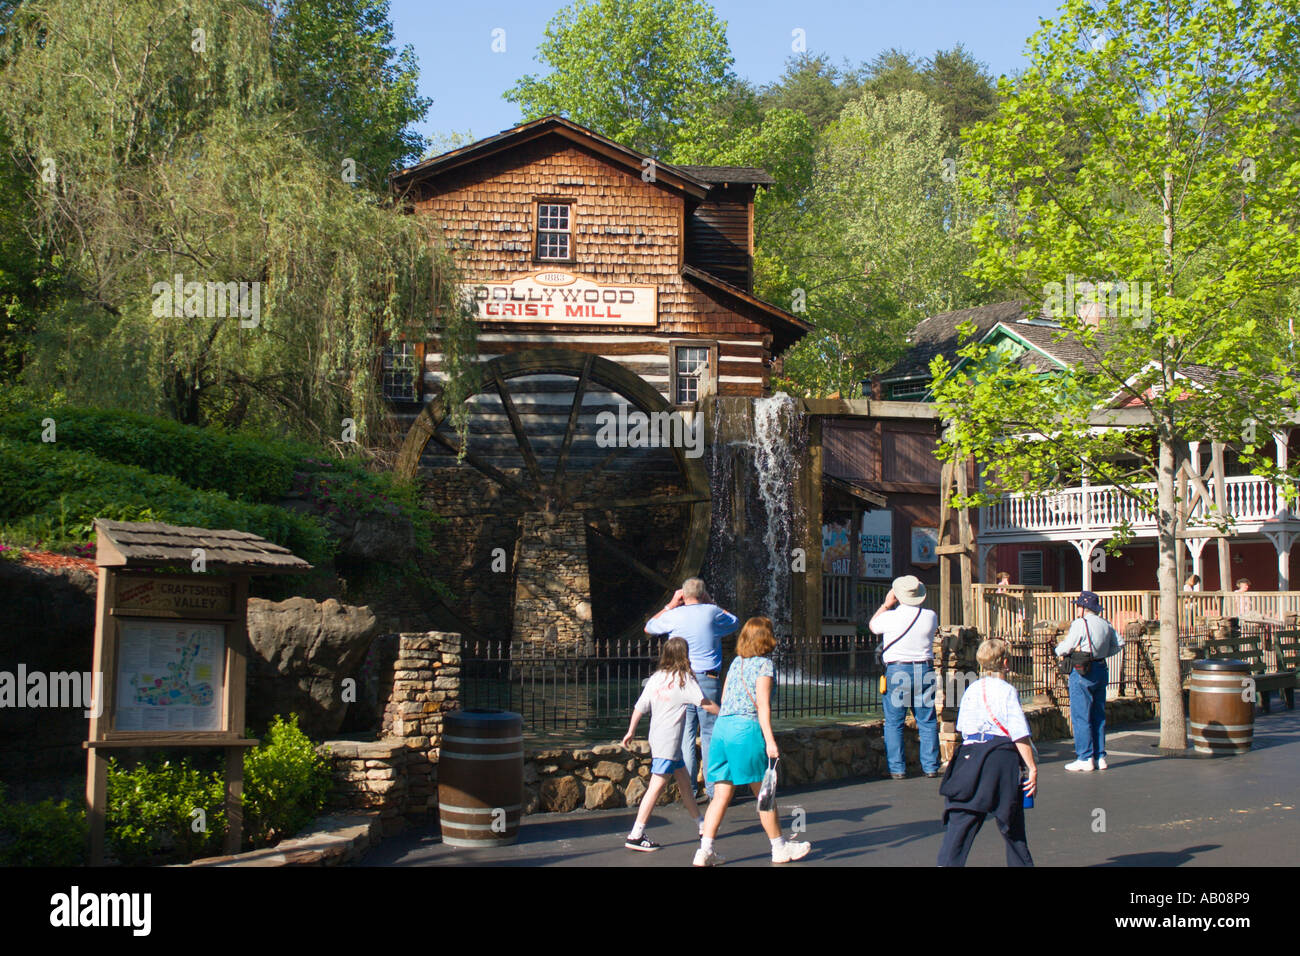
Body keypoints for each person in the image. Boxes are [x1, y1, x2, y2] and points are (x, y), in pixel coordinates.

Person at [694, 617, 811, 866]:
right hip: (744, 730)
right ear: (766, 638)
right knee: (764, 794)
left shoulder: (737, 662)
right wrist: (770, 741)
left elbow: (724, 700)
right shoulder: (764, 666)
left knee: (721, 795)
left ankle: (704, 851)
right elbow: (763, 707)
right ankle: (779, 847)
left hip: (722, 730)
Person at [937, 638, 1037, 867]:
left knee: (963, 817)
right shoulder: (1007, 691)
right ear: (1005, 662)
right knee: (1011, 824)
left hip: (971, 755)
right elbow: (1019, 733)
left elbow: (964, 728)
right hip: (1000, 757)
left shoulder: (972, 689)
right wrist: (1031, 767)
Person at [620, 637, 720, 851]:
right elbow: (704, 703)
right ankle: (636, 834)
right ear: (685, 655)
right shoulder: (684, 679)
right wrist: (726, 714)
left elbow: (640, 707)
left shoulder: (657, 678)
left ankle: (701, 825)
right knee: (655, 787)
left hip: (658, 738)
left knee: (684, 783)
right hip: (670, 742)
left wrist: (630, 731)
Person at [644, 578, 738, 800]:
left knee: (685, 735)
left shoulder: (673, 615)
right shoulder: (712, 612)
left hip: (682, 679)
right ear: (703, 594)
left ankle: (690, 791)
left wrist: (670, 604)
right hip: (707, 679)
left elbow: (648, 627)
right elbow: (734, 621)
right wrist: (711, 602)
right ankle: (714, 789)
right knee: (710, 734)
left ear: (683, 595)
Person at [869, 575, 940, 779]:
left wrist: (886, 604)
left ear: (898, 595)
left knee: (894, 722)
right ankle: (930, 766)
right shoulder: (930, 616)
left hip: (897, 670)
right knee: (926, 720)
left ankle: (897, 769)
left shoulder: (890, 617)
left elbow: (873, 626)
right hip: (924, 670)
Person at [1054, 591, 1123, 772]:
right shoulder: (1105, 624)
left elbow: (1067, 646)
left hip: (1083, 670)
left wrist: (1057, 650)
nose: (1076, 608)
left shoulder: (1080, 623)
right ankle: (1100, 756)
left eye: (1078, 605)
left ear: (1084, 608)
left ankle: (1085, 757)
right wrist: (1103, 654)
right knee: (1098, 714)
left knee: (1080, 715)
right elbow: (1119, 644)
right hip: (1101, 668)